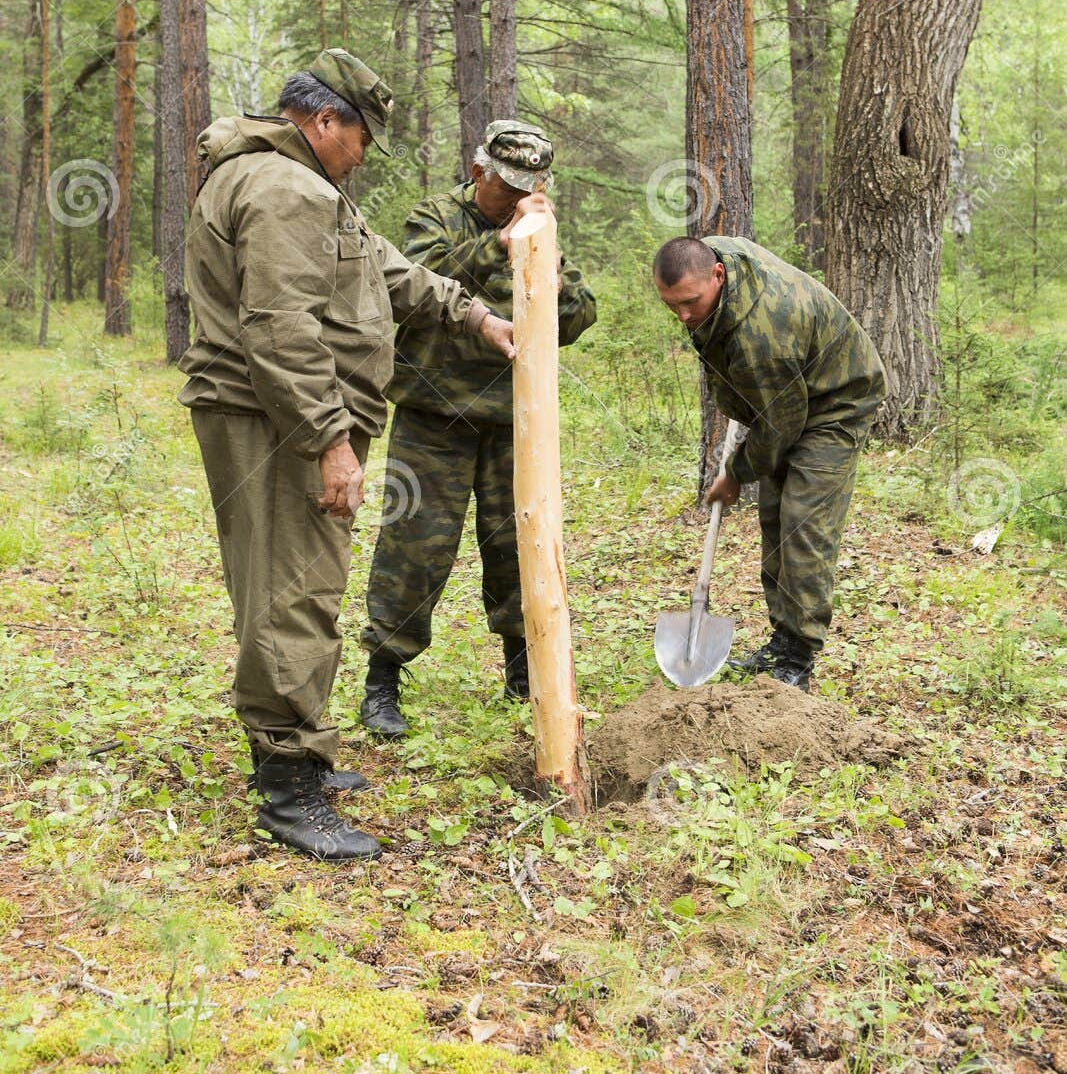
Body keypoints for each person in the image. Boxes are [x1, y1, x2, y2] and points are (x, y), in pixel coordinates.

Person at [179, 49, 515, 860]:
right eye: (361, 136)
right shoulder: (281, 188)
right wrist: (330, 441)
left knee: (294, 588)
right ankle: (288, 788)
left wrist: (475, 316)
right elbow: (280, 327)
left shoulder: (307, 189)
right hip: (276, 423)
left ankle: (302, 757)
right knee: (294, 594)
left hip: (283, 418)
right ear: (324, 121)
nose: (363, 154)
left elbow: (388, 274)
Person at [359, 120, 597, 738]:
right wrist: (499, 245)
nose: (519, 200)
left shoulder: (536, 229)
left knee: (516, 549)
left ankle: (523, 674)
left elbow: (578, 312)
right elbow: (416, 286)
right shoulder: (434, 218)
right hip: (432, 418)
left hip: (510, 421)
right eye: (509, 187)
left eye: (532, 188)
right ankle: (383, 679)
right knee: (414, 547)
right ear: (478, 173)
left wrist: (541, 255)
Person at [652, 235, 886, 690]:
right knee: (776, 515)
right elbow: (773, 413)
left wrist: (735, 474)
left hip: (837, 399)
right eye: (671, 304)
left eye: (690, 302)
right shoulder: (713, 257)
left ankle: (798, 654)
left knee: (803, 522)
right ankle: (782, 639)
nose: (683, 315)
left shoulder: (764, 337)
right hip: (791, 391)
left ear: (718, 276)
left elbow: (780, 425)